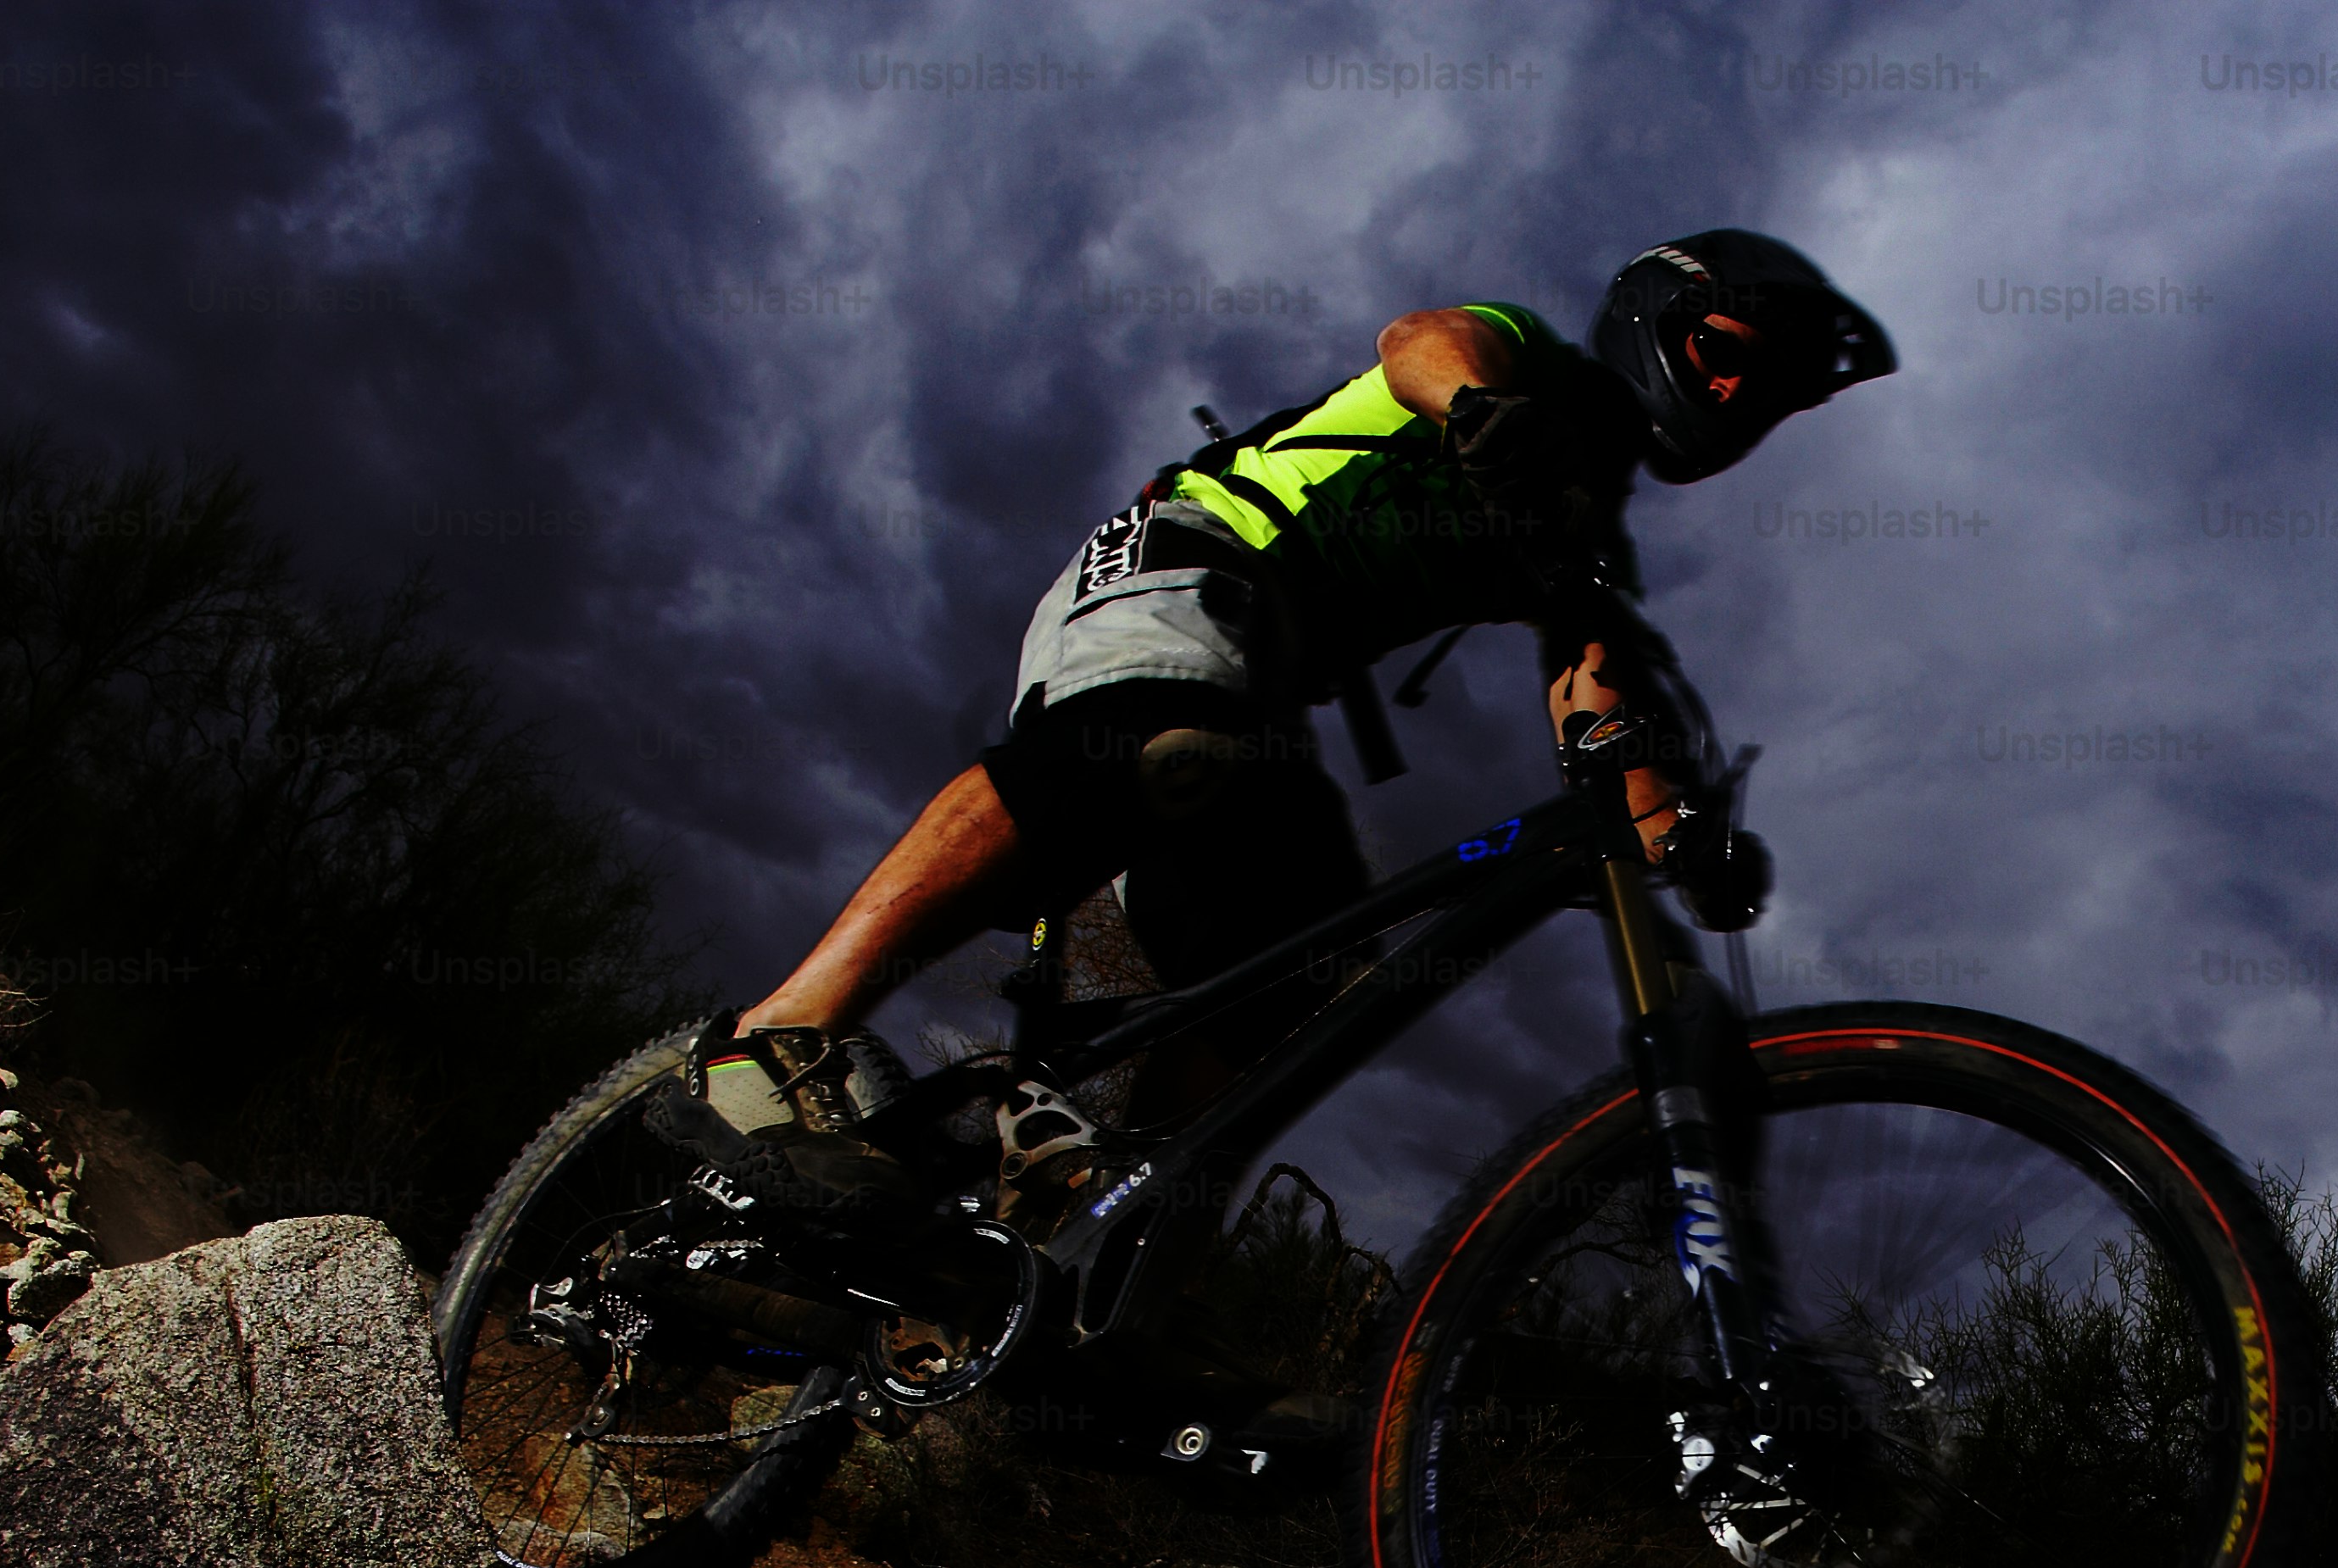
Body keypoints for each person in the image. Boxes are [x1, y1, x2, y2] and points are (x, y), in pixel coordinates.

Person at [654, 230, 1895, 1220]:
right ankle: (782, 1034)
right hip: (1187, 564)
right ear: (1650, 318)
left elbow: (1596, 704)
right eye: (1720, 348)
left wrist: (1679, 843)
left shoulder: (1581, 549)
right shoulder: (1525, 363)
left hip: (1257, 698)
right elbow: (1421, 340)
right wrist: (1476, 407)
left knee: (1300, 959)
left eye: (1764, 391)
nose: (1731, 390)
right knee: (1168, 747)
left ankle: (1097, 1236)